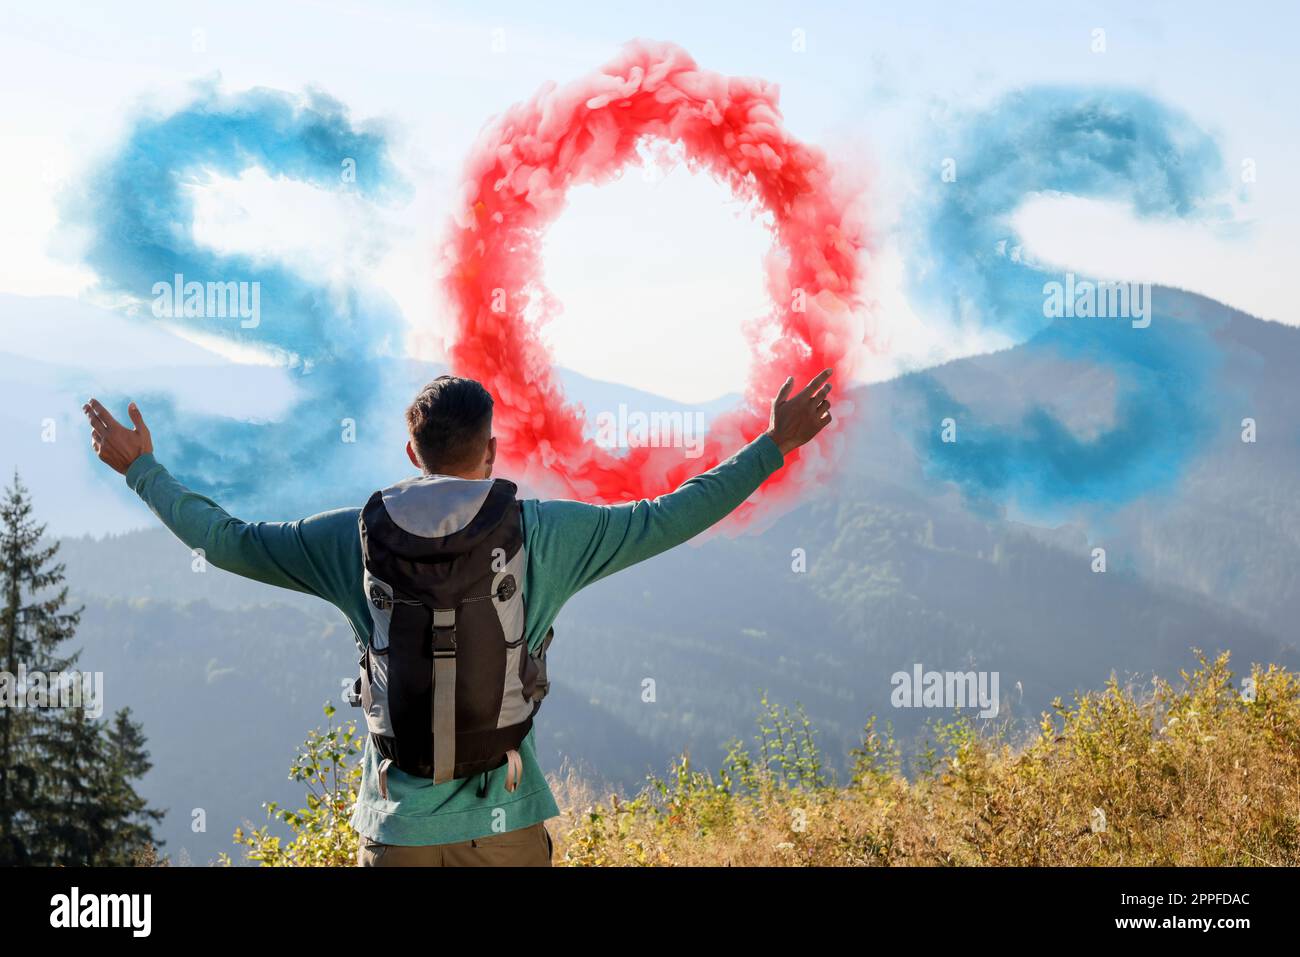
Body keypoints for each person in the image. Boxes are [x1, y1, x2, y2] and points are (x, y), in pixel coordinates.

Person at [82, 369, 833, 866]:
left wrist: (141, 468)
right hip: (505, 824)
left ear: (411, 451)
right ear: (492, 450)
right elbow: (669, 516)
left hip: (398, 830)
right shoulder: (543, 531)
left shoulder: (355, 537)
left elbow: (227, 540)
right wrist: (776, 445)